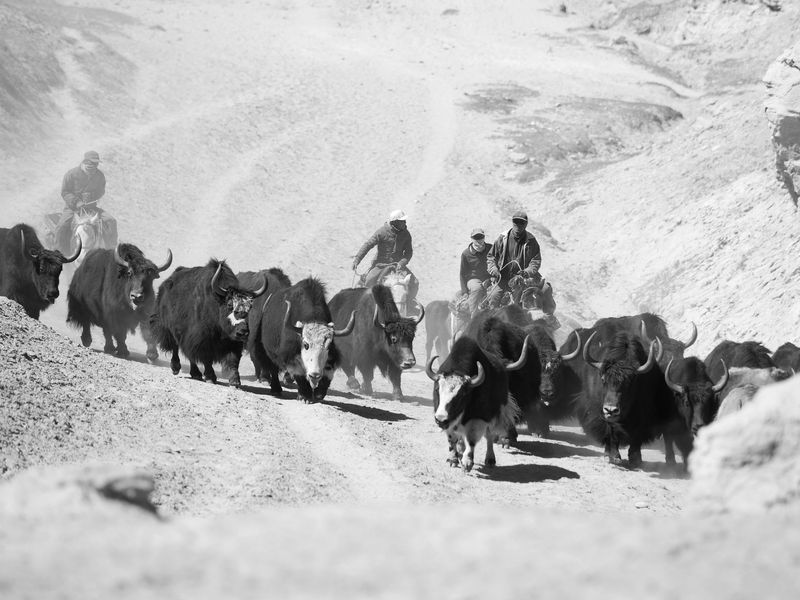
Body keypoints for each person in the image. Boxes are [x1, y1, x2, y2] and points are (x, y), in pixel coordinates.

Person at [486, 210, 554, 314]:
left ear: (526, 224)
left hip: (523, 278)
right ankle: (491, 323)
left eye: (521, 222)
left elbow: (535, 260)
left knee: (543, 291)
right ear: (512, 222)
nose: (518, 224)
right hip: (502, 278)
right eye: (516, 221)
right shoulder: (502, 238)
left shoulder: (531, 241)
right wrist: (494, 269)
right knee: (494, 296)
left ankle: (547, 319)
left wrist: (527, 271)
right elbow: (491, 257)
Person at [54, 150, 117, 255]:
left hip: (91, 208)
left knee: (111, 221)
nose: (94, 165)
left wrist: (92, 195)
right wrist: (77, 201)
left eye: (96, 163)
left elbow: (101, 191)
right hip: (73, 208)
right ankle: (58, 254)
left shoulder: (99, 175)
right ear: (85, 161)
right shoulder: (71, 174)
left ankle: (111, 252)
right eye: (92, 163)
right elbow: (65, 192)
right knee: (61, 226)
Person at [352, 209, 418, 302]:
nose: (405, 222)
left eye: (404, 221)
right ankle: (366, 304)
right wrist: (357, 259)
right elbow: (368, 245)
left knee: (415, 283)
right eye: (402, 221)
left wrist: (402, 263)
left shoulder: (406, 234)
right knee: (369, 281)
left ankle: (408, 303)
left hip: (398, 266)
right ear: (394, 222)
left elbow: (408, 252)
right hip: (380, 265)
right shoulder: (381, 232)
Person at [459, 227, 490, 315]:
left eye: (480, 237)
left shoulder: (490, 248)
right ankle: (474, 317)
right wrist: (464, 291)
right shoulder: (466, 254)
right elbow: (462, 274)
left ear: (484, 238)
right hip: (474, 279)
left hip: (489, 278)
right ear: (472, 239)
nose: (478, 240)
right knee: (477, 289)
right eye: (476, 237)